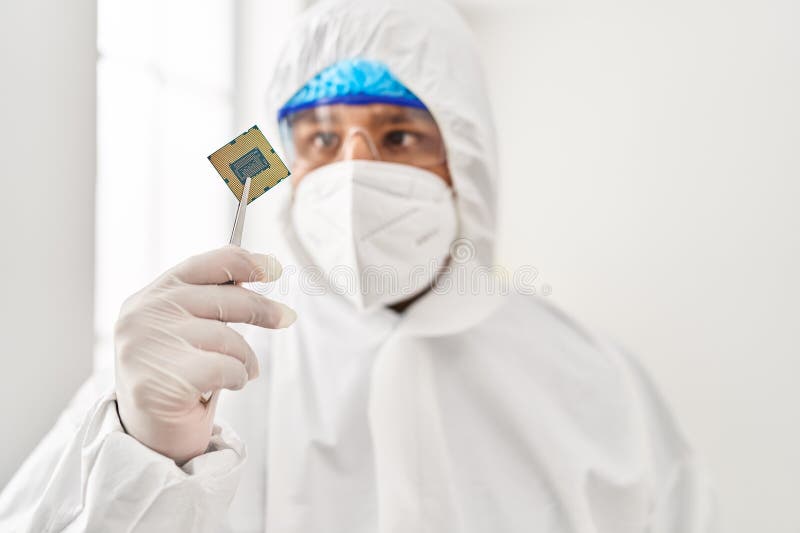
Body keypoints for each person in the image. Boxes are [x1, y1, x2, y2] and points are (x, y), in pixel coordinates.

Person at [0, 0, 718, 531]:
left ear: (466, 159)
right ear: (284, 155)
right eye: (318, 137)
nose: (353, 175)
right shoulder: (196, 368)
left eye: (398, 134)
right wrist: (144, 454)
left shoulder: (596, 389)